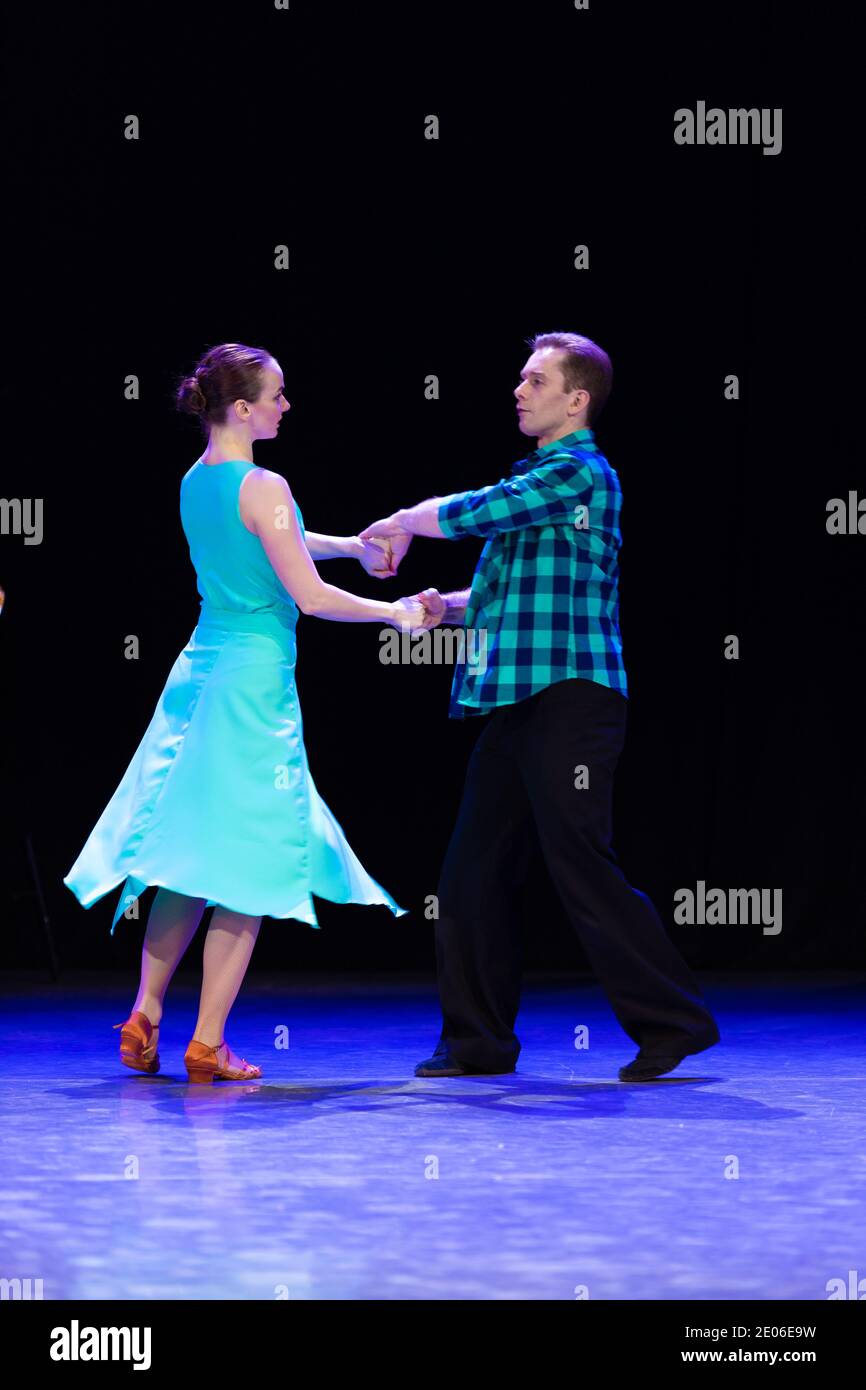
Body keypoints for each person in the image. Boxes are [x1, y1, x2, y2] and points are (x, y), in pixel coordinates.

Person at [63, 342, 430, 1084]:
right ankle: (208, 1042)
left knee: (188, 852)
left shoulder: (196, 480)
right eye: (277, 395)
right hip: (253, 687)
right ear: (242, 408)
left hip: (199, 674)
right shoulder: (266, 483)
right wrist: (395, 613)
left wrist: (355, 547)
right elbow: (308, 594)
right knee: (251, 858)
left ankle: (146, 1011)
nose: (285, 406)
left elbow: (279, 539)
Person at [360, 331, 721, 1083]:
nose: (518, 390)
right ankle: (476, 1042)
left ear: (575, 399)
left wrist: (399, 521)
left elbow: (472, 514)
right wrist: (446, 606)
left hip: (572, 699)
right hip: (519, 698)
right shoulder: (540, 486)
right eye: (520, 379)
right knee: (470, 873)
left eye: (534, 380)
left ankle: (675, 1022)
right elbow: (504, 595)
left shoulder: (581, 474)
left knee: (580, 863)